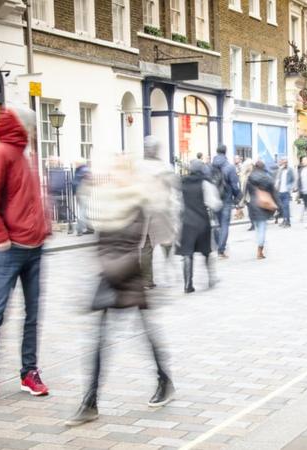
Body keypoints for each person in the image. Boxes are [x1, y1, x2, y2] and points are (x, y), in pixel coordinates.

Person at [65, 154, 173, 427]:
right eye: (112, 171)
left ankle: (165, 380)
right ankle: (90, 402)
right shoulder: (107, 203)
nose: (113, 176)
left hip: (128, 275)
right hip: (110, 275)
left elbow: (133, 244)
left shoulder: (137, 202)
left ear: (130, 174)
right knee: (100, 341)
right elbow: (101, 242)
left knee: (146, 335)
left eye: (119, 171)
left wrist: (108, 270)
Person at [0, 105, 51, 405]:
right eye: (32, 127)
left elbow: (26, 198)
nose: (33, 133)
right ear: (24, 127)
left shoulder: (25, 155)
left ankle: (29, 371)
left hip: (34, 247)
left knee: (33, 313)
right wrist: (1, 237)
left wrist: (44, 227)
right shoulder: (2, 152)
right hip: (9, 249)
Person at [139, 136, 181, 290]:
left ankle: (147, 280)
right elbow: (176, 185)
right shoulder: (164, 167)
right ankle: (169, 269)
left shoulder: (138, 166)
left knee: (146, 247)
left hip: (145, 210)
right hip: (162, 210)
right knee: (167, 241)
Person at [177, 160, 218, 293]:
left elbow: (177, 203)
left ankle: (188, 284)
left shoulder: (183, 183)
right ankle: (210, 278)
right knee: (206, 251)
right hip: (202, 221)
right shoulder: (205, 183)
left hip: (187, 222)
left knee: (187, 254)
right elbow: (213, 203)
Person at [211, 145, 241, 258]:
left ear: (217, 151)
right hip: (226, 198)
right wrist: (238, 195)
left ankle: (219, 245)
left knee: (217, 223)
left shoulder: (211, 166)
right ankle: (221, 250)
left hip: (214, 197)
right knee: (224, 225)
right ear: (226, 152)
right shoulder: (230, 167)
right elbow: (234, 185)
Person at [247, 160, 280, 259]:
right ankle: (260, 250)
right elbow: (273, 193)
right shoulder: (267, 178)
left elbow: (247, 191)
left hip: (252, 204)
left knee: (257, 227)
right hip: (263, 205)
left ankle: (259, 244)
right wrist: (278, 206)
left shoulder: (250, 177)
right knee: (262, 228)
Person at [72, 159, 92, 236]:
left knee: (83, 211)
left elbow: (75, 182)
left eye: (76, 162)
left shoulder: (83, 170)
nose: (75, 164)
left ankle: (83, 228)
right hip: (82, 193)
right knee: (84, 211)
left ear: (80, 163)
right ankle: (86, 228)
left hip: (82, 193)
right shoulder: (81, 170)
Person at [274, 159, 296, 228]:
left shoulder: (290, 170)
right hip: (280, 191)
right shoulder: (280, 170)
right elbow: (277, 179)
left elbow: (293, 180)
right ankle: (285, 220)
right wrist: (276, 187)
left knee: (286, 207)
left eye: (285, 162)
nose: (284, 164)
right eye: (283, 162)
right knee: (283, 208)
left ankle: (287, 222)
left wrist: (290, 187)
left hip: (286, 191)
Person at [238, 158, 254, 230]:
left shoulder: (250, 175)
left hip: (251, 197)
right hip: (248, 197)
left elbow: (244, 188)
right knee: (250, 212)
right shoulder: (245, 176)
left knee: (252, 212)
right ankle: (253, 224)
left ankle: (254, 224)